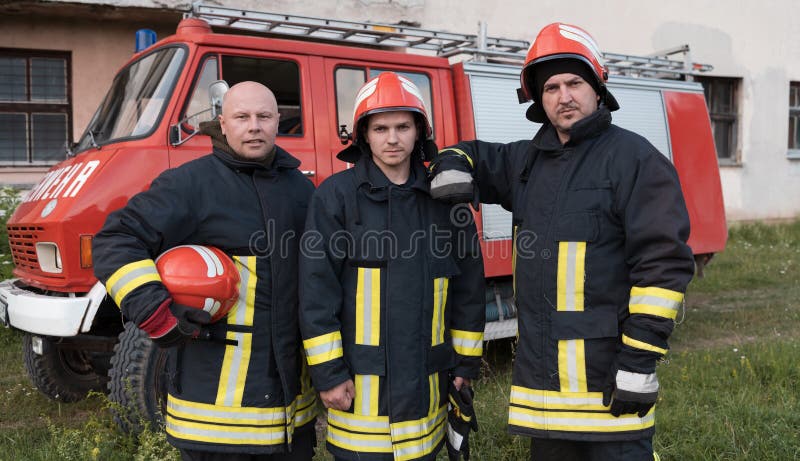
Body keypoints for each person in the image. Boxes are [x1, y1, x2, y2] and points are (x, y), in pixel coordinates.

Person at [428, 23, 695, 461]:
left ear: (597, 87)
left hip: (611, 386)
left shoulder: (635, 159)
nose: (563, 95)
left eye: (574, 82)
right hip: (547, 399)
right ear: (538, 99)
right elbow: (472, 154)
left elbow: (663, 266)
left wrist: (639, 360)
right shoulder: (525, 161)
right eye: (551, 87)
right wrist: (453, 162)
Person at [93, 81, 318, 460]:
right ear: (222, 123)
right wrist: (153, 312)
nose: (254, 126)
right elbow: (116, 239)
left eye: (264, 116)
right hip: (213, 420)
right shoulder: (189, 184)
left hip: (289, 417)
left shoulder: (301, 190)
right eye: (241, 117)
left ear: (279, 121)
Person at [298, 72, 485, 461]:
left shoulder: (447, 200)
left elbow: (468, 289)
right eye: (380, 128)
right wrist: (329, 374)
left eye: (403, 126)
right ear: (363, 135)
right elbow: (317, 292)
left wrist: (466, 363)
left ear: (420, 131)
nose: (393, 138)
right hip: (363, 398)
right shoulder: (335, 197)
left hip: (427, 391)